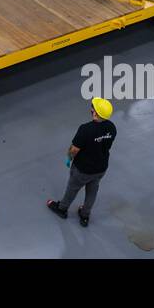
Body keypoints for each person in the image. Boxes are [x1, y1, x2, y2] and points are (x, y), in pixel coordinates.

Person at [47, 97, 116, 227]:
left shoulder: (86, 129)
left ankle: (62, 209)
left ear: (95, 113)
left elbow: (74, 149)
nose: (91, 108)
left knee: (72, 188)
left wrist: (69, 158)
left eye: (92, 107)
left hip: (83, 169)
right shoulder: (112, 127)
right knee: (92, 191)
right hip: (101, 168)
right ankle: (85, 215)